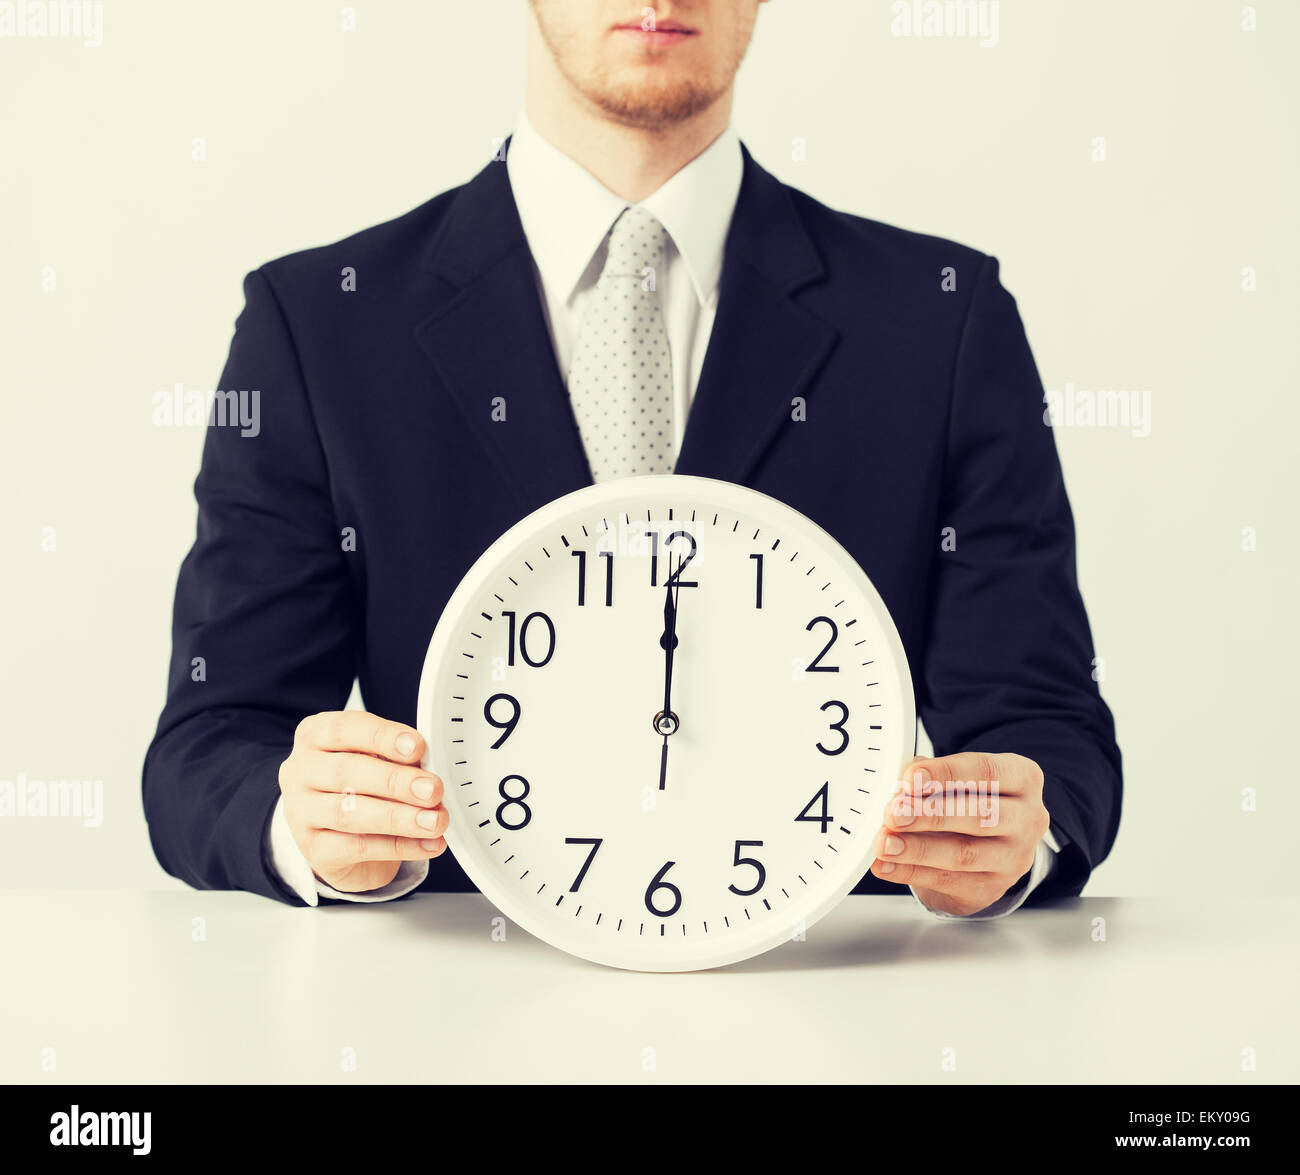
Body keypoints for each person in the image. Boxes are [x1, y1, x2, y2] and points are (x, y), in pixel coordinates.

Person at [143, 0, 1121, 920]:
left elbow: (1048, 730)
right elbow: (210, 741)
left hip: (826, 1001)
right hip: (448, 1011)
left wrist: (1008, 839)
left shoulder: (937, 320)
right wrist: (304, 821)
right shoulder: (320, 325)